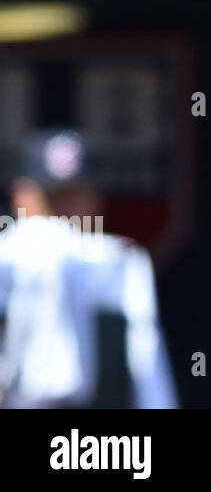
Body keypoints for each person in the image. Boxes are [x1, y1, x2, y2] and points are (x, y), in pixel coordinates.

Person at [0, 129, 177, 409]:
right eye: (54, 199)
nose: (66, 211)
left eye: (76, 196)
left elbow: (150, 372)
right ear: (21, 196)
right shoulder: (8, 256)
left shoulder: (117, 264)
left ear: (96, 201)